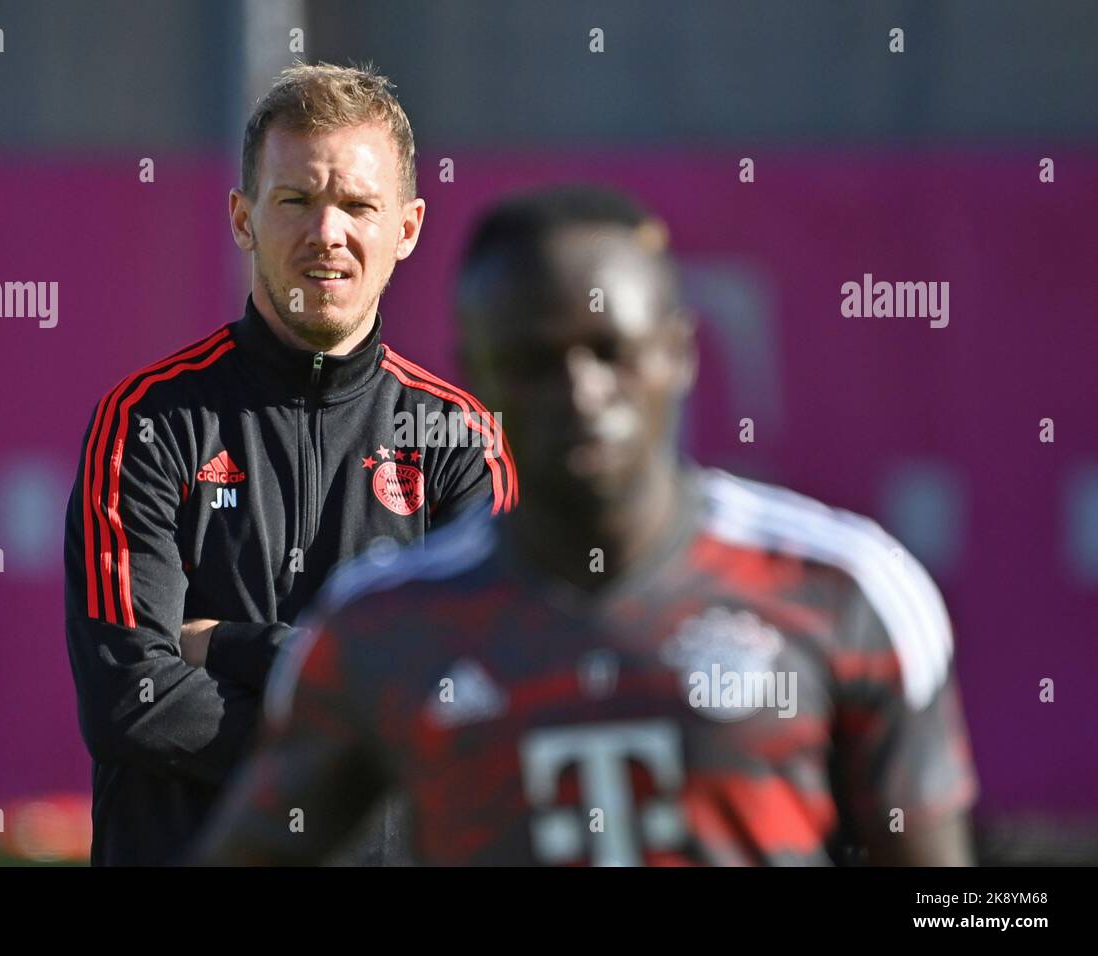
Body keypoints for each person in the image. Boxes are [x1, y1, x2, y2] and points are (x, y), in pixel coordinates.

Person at [194, 185, 978, 866]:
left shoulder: (842, 590)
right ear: (478, 372)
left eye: (612, 352)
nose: (581, 391)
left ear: (678, 353)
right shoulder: (381, 629)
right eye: (536, 362)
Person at [63, 62, 516, 865]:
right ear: (244, 218)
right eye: (296, 201)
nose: (327, 234)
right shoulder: (147, 423)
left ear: (407, 228)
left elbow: (482, 705)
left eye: (357, 206)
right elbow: (132, 705)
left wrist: (227, 645)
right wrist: (365, 730)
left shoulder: (459, 438)